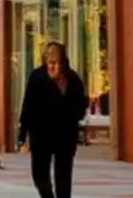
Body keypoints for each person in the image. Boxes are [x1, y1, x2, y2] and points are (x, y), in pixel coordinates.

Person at [17, 42, 88, 198]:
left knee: (63, 178)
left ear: (63, 63)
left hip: (64, 136)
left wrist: (64, 97)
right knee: (39, 175)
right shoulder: (37, 77)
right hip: (40, 135)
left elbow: (81, 108)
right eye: (49, 62)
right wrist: (22, 136)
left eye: (56, 63)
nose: (52, 67)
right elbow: (27, 107)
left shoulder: (73, 80)